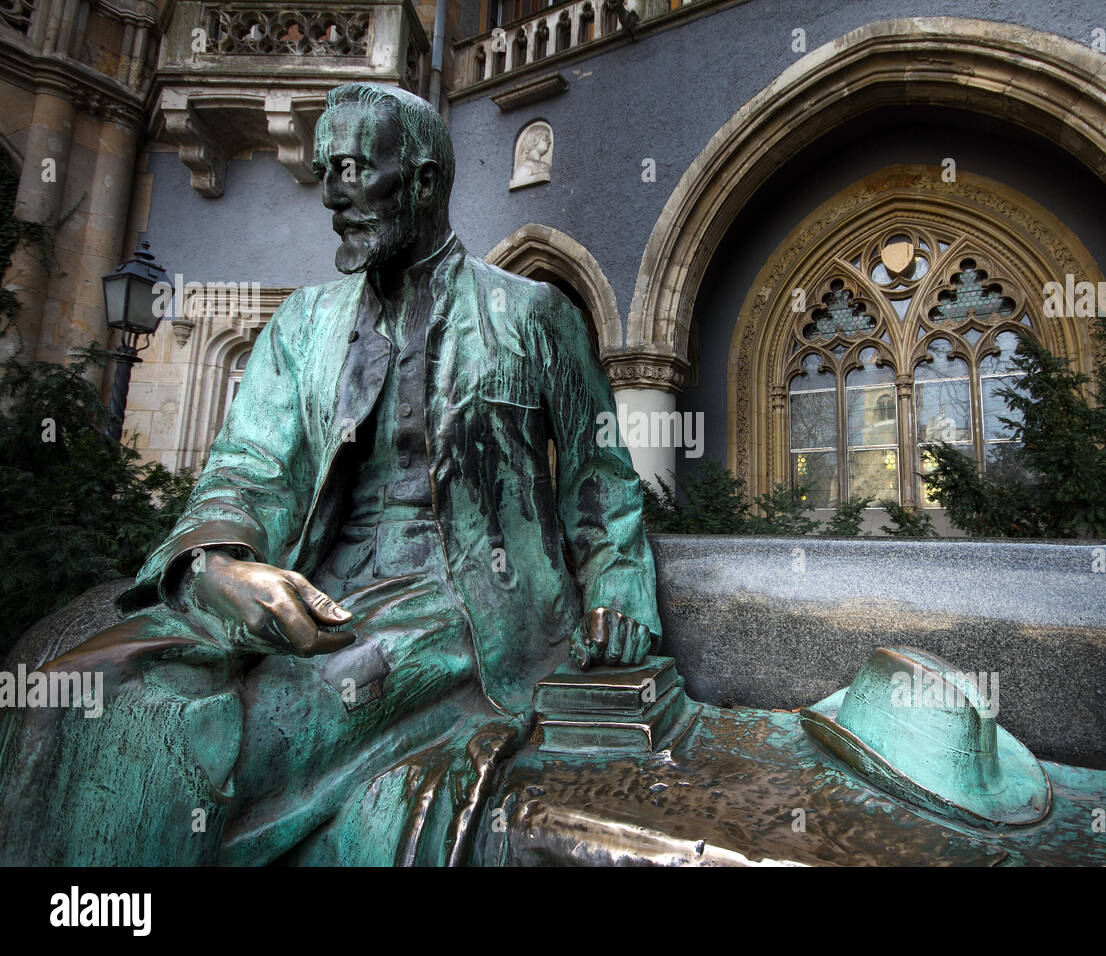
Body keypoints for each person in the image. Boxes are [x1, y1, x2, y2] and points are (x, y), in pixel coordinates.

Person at [0, 82, 660, 866]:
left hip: (459, 603)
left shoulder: (533, 316)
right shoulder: (302, 323)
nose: (333, 198)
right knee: (83, 690)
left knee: (248, 725)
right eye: (324, 174)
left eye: (352, 169)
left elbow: (599, 474)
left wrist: (618, 583)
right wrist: (218, 566)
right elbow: (246, 468)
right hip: (311, 585)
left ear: (423, 181)